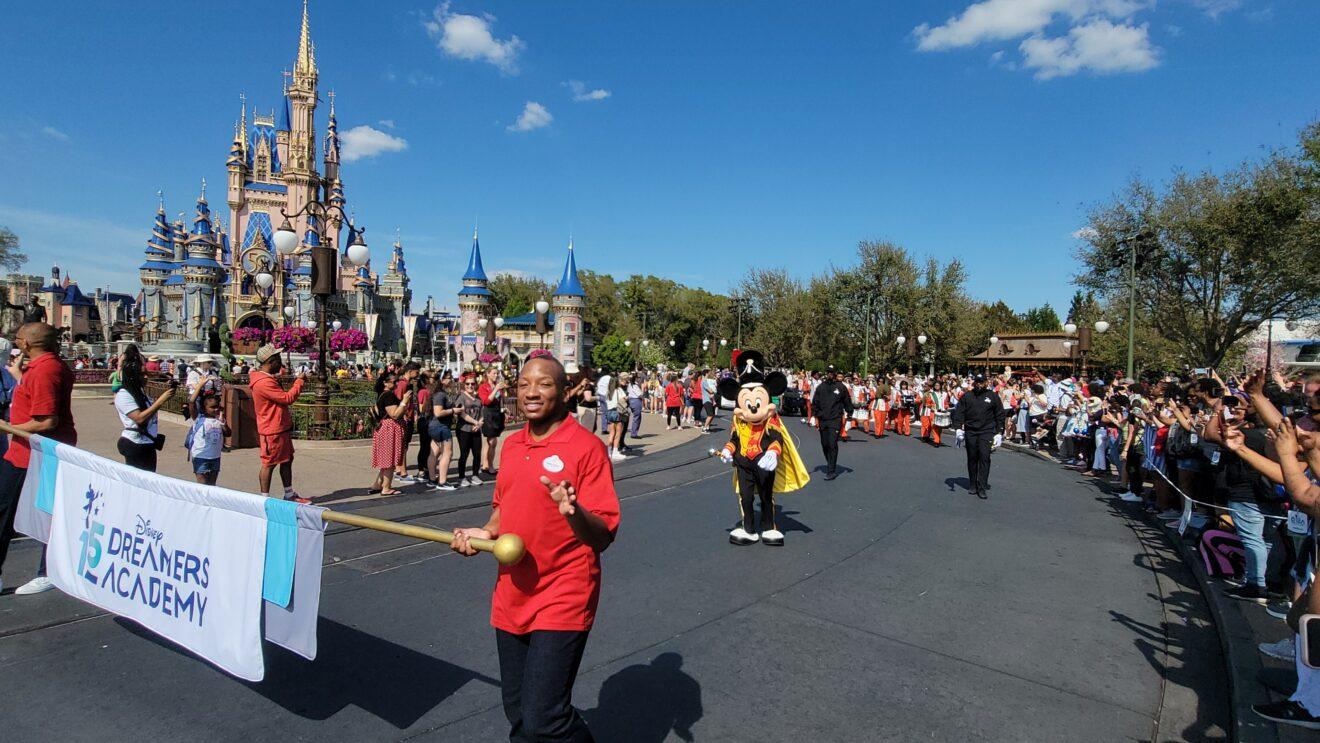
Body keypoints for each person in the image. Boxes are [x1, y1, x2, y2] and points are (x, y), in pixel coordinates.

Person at [451, 355, 620, 742]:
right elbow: (501, 508)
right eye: (524, 383)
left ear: (564, 392)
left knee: (546, 717)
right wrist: (485, 533)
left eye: (544, 384)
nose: (531, 391)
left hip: (564, 593)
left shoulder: (587, 448)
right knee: (519, 715)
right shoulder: (511, 446)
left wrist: (573, 511)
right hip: (512, 591)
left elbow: (603, 536)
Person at [0, 322, 77, 596]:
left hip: (36, 455)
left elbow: (46, 421)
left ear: (26, 344)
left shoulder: (46, 370)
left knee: (40, 513)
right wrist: (20, 377)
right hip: (25, 452)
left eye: (18, 338)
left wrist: (7, 427)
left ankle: (47, 572)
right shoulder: (41, 367)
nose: (15, 341)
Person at [249, 344, 308, 502]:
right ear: (271, 361)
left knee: (287, 460)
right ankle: (264, 499)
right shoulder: (263, 382)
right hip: (272, 430)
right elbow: (287, 398)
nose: (281, 361)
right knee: (269, 464)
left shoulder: (267, 379)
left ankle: (289, 494)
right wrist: (299, 382)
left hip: (280, 427)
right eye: (278, 359)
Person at [114, 344, 175, 472]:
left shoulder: (140, 393)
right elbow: (139, 418)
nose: (146, 377)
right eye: (142, 374)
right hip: (135, 443)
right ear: (133, 376)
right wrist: (161, 401)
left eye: (146, 373)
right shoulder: (124, 395)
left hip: (147, 443)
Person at [952, 374, 1005, 499]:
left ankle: (982, 486)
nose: (979, 384)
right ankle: (972, 484)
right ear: (974, 383)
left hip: (986, 431)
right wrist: (958, 429)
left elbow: (1000, 415)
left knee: (985, 457)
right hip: (971, 430)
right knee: (972, 457)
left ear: (986, 383)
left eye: (982, 382)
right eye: (977, 382)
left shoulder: (993, 396)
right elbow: (959, 412)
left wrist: (999, 432)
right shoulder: (967, 396)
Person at [370, 370, 411, 496]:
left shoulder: (382, 394)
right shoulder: (388, 396)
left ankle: (377, 485)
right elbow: (394, 414)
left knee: (386, 460)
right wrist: (404, 401)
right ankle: (386, 488)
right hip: (389, 430)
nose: (397, 383)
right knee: (390, 461)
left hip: (385, 429)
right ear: (385, 383)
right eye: (394, 381)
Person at [810, 365, 853, 481]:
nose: (830, 374)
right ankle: (830, 462)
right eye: (828, 372)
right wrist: (814, 416)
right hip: (823, 419)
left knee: (832, 443)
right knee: (825, 444)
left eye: (832, 372)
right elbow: (815, 402)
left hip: (835, 419)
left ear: (835, 374)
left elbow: (847, 401)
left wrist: (850, 413)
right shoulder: (820, 387)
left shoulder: (841, 387)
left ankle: (831, 471)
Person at [188, 392, 230, 485]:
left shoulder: (219, 419)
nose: (216, 409)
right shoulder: (198, 418)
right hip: (201, 457)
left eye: (217, 407)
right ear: (204, 408)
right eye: (212, 407)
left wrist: (223, 424)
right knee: (202, 487)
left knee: (212, 486)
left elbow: (228, 434)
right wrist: (201, 384)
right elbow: (191, 402)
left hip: (215, 457)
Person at [427, 372, 459, 491]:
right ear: (442, 380)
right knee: (448, 453)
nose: (451, 380)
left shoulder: (438, 393)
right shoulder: (440, 394)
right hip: (441, 427)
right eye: (449, 378)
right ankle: (442, 481)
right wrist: (453, 410)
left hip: (434, 426)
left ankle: (432, 479)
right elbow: (438, 412)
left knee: (434, 452)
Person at [456, 374, 485, 486]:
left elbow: (482, 414)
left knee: (477, 453)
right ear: (464, 385)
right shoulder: (461, 397)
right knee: (464, 453)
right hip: (464, 429)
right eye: (468, 384)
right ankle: (461, 477)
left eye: (472, 383)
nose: (470, 386)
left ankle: (475, 475)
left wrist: (479, 425)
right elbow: (462, 414)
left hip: (476, 429)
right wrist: (475, 422)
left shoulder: (478, 399)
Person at [479, 365, 508, 478]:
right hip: (489, 415)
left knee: (489, 442)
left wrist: (503, 409)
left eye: (497, 373)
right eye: (494, 373)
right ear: (488, 374)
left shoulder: (496, 386)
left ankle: (485, 464)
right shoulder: (483, 387)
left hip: (496, 414)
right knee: (492, 442)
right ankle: (490, 466)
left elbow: (497, 401)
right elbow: (486, 401)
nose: (496, 375)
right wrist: (495, 389)